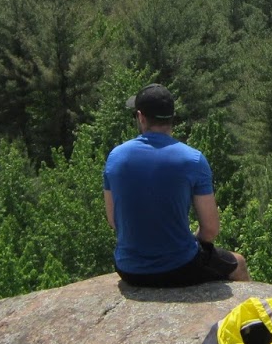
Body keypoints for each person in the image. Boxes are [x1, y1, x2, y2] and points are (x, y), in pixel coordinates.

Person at [104, 84, 250, 287]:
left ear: (141, 117)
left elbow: (114, 221)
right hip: (180, 268)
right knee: (239, 262)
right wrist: (191, 241)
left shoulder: (116, 157)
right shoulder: (193, 159)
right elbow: (210, 230)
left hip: (129, 270)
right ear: (173, 117)